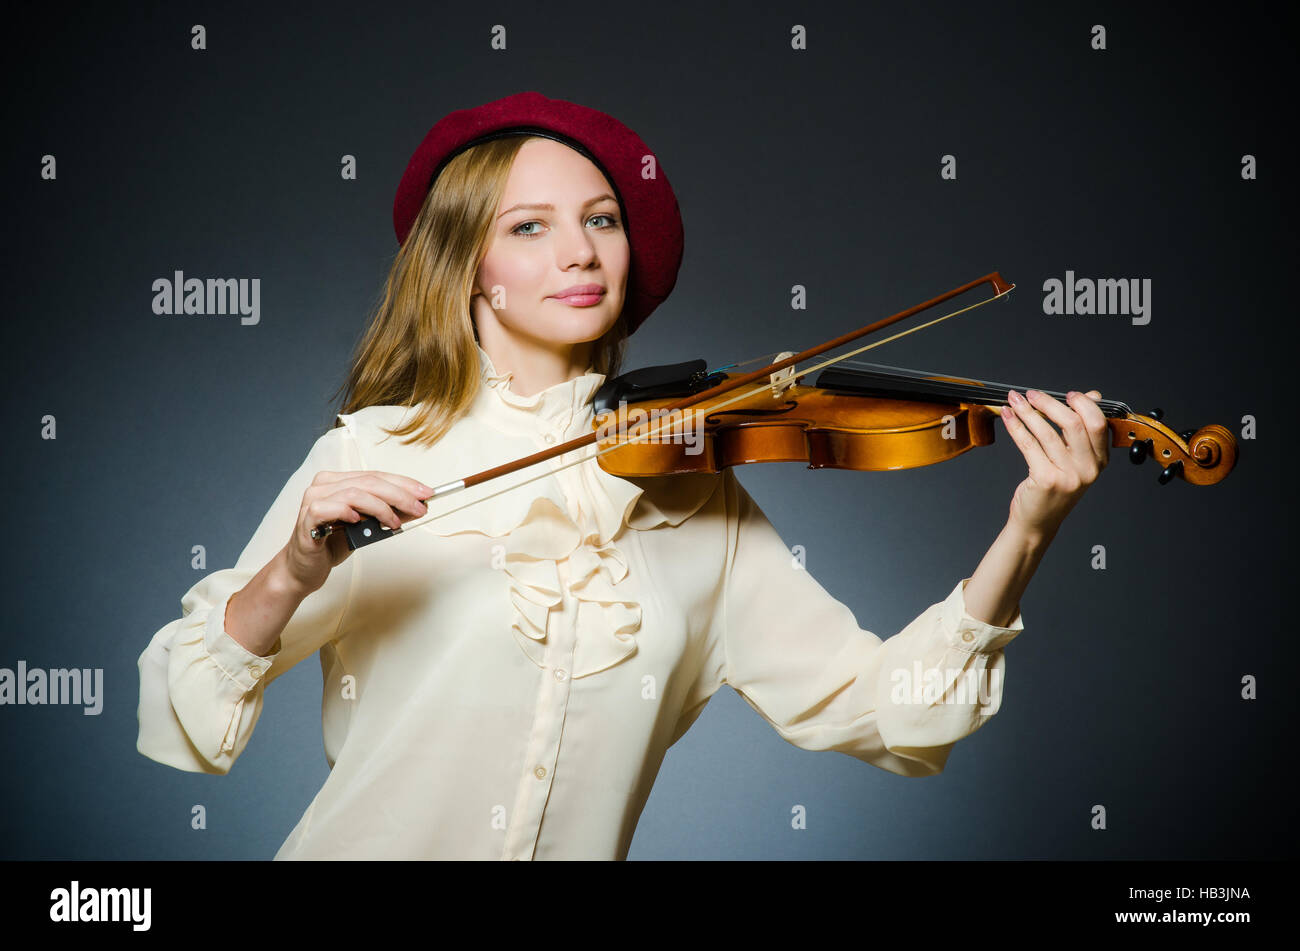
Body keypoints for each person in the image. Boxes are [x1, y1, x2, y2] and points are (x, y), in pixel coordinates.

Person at [135, 91, 1110, 860]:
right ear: (467, 267)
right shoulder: (370, 455)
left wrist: (1025, 534)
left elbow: (884, 710)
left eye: (601, 219)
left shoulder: (692, 488)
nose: (579, 251)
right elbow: (188, 709)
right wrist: (292, 575)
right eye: (529, 228)